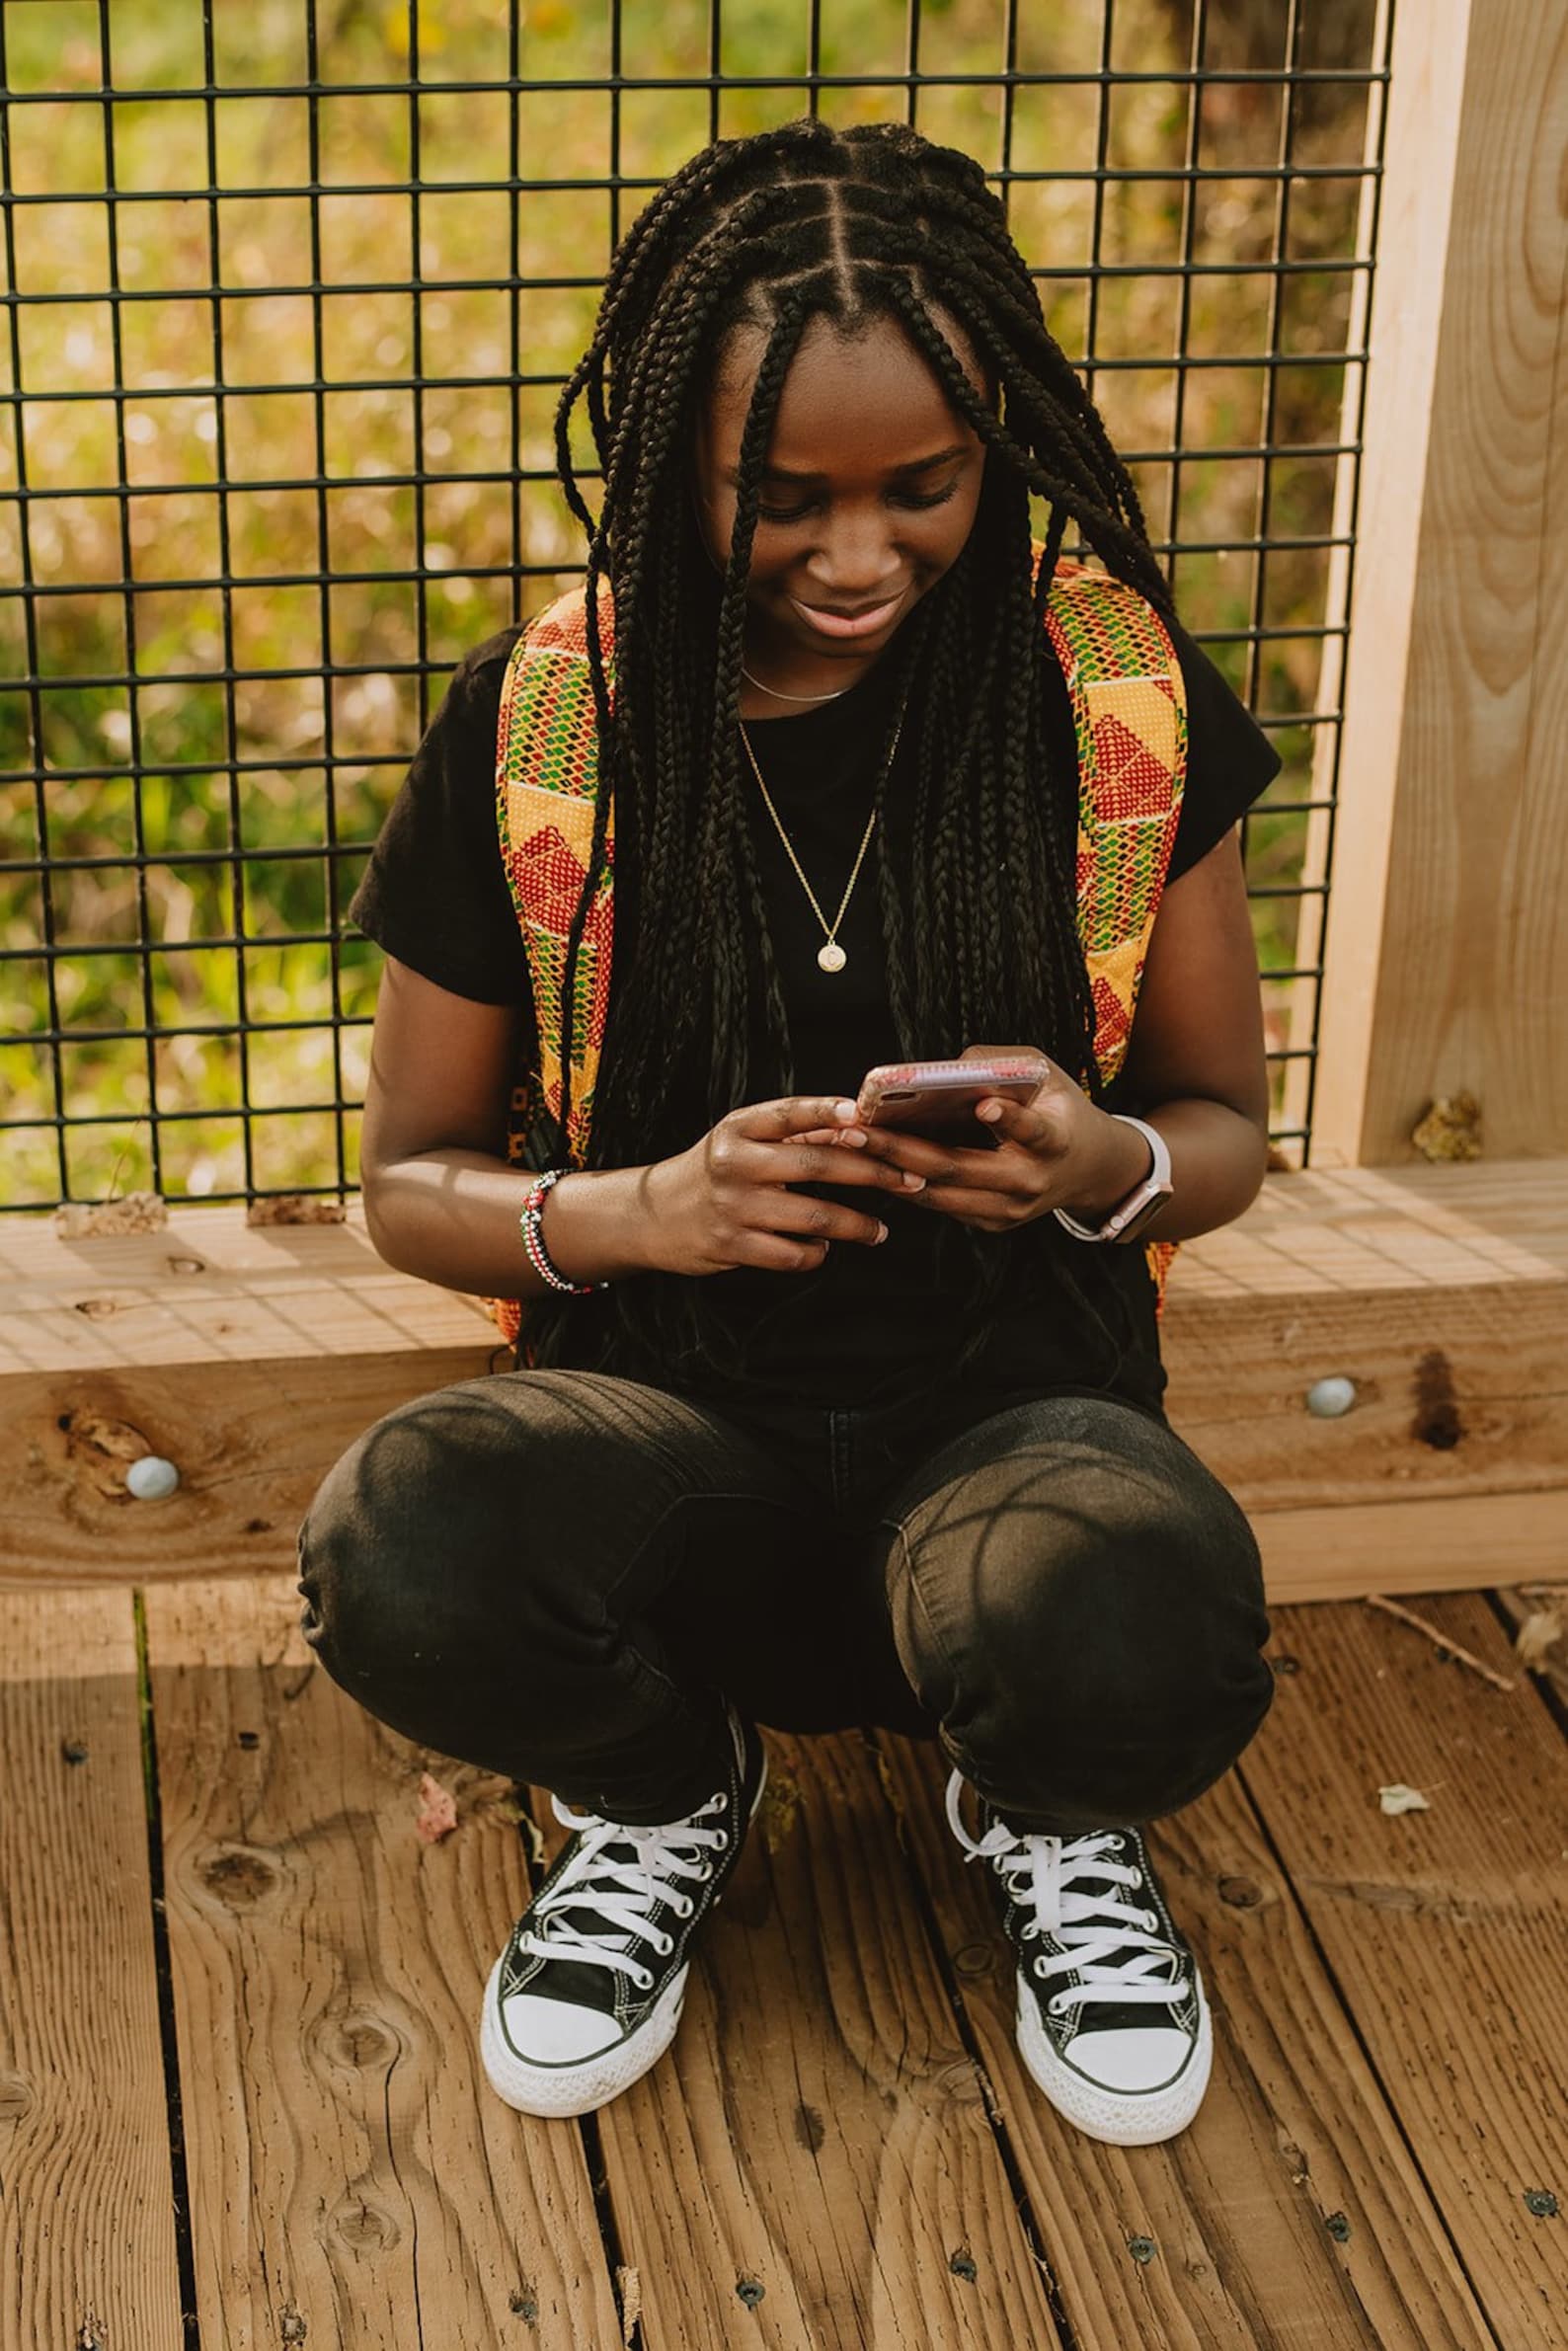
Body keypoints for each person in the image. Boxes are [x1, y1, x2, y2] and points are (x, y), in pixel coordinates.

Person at [297, 117, 1279, 2149]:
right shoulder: (544, 730)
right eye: (780, 500)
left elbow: (1222, 1129)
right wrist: (634, 1213)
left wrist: (1095, 1165)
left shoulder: (1112, 702)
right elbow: (406, 1186)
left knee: (1144, 1621)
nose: (854, 557)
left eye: (918, 490)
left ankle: (1040, 1807)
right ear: (673, 463)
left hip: (1013, 1438)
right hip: (667, 1459)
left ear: (993, 436)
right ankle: (665, 1791)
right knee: (400, 1540)